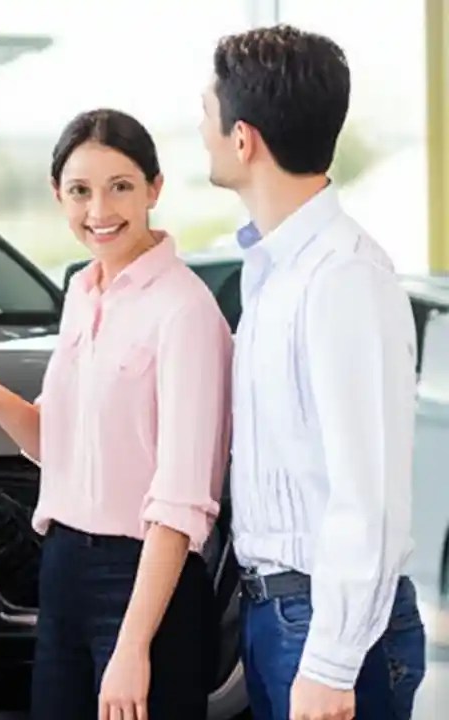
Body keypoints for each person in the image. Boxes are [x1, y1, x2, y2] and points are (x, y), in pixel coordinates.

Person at [0, 108, 233, 720]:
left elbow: (181, 502)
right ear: (57, 195)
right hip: (63, 571)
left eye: (120, 187)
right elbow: (60, 446)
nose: (100, 210)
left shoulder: (185, 312)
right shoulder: (83, 293)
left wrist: (133, 645)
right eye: (80, 191)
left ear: (154, 189)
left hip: (145, 583)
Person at [198, 24, 426, 720]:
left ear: (243, 139)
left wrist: (330, 663)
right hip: (279, 614)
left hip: (324, 625)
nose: (201, 131)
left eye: (207, 114)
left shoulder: (342, 276)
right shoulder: (276, 271)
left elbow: (369, 492)